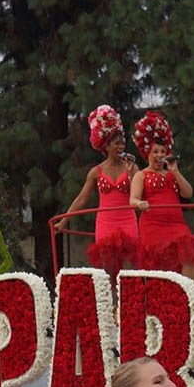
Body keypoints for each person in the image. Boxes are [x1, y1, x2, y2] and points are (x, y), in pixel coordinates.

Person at [60, 104, 139, 276]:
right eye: (116, 144)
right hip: (106, 223)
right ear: (106, 146)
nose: (121, 147)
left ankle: (128, 295)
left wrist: (131, 173)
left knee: (129, 269)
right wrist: (63, 222)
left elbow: (138, 194)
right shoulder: (96, 172)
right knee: (109, 269)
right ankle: (111, 295)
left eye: (123, 143)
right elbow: (81, 199)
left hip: (127, 220)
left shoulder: (132, 167)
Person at [129, 111, 194, 276]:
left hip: (177, 224)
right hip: (153, 224)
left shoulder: (171, 173)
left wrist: (175, 171)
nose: (160, 155)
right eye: (155, 151)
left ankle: (190, 291)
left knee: (188, 256)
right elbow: (132, 199)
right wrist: (140, 203)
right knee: (158, 263)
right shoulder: (141, 174)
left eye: (163, 152)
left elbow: (188, 193)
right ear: (148, 153)